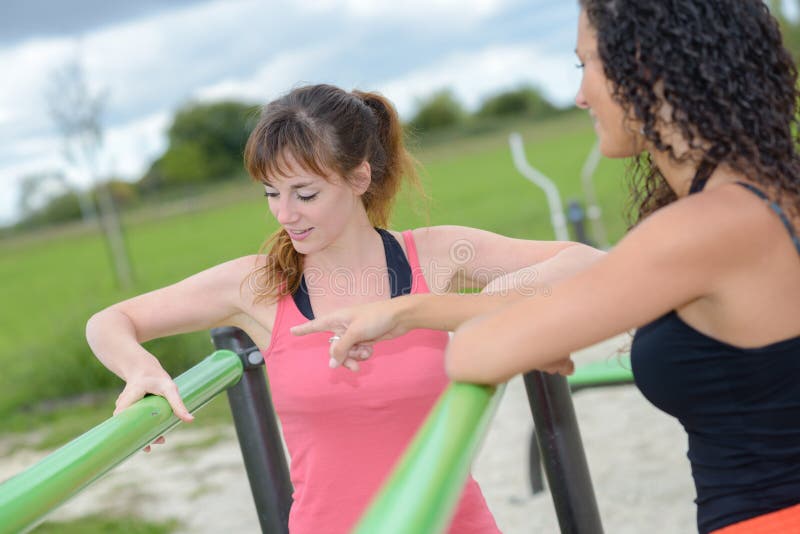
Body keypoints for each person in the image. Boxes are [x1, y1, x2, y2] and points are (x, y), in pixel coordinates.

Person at [292, 2, 800, 533]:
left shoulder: (706, 227)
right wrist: (409, 311)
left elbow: (477, 350)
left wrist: (529, 333)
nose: (580, 96)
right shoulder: (757, 201)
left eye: (586, 65)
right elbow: (588, 292)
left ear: (649, 69)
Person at [86, 83, 603, 533]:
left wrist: (441, 309)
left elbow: (589, 264)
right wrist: (139, 369)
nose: (284, 214)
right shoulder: (259, 284)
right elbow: (109, 321)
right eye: (271, 193)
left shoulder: (436, 255)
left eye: (305, 194)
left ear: (359, 178)